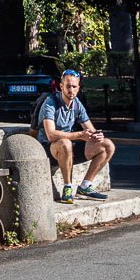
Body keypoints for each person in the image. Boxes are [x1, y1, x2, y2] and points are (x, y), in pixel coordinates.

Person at [37, 69, 115, 203]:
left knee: (107, 145)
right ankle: (67, 187)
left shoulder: (77, 104)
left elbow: (90, 129)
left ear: (78, 88)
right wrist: (80, 135)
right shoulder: (50, 102)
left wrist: (97, 136)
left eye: (74, 87)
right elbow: (51, 135)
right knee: (65, 143)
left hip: (69, 147)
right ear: (61, 86)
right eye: (68, 86)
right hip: (48, 149)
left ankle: (85, 186)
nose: (71, 90)